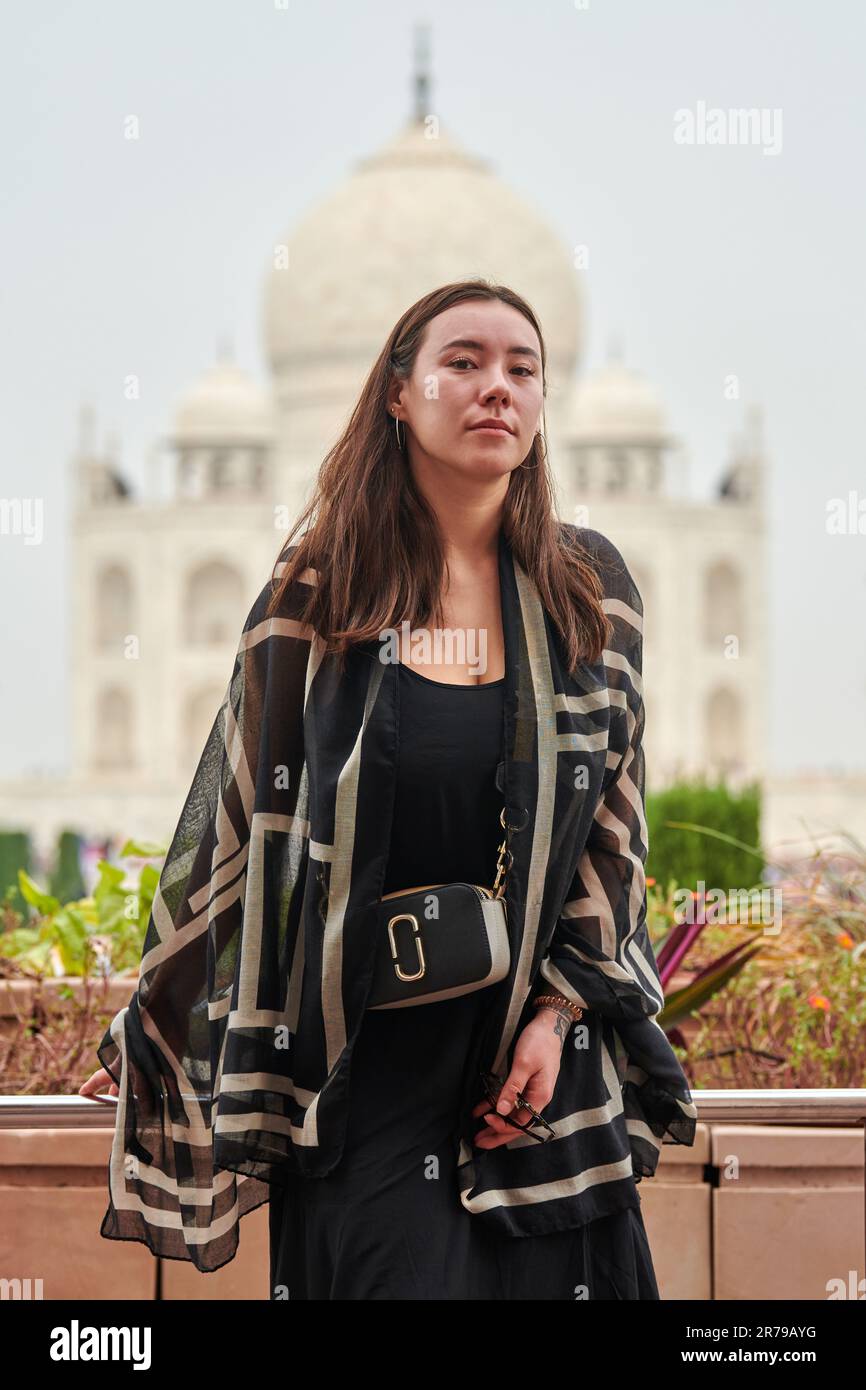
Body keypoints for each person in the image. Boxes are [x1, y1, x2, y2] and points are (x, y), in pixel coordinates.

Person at [80, 279, 698, 1299]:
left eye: (520, 368)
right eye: (462, 362)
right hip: (365, 1065)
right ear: (397, 396)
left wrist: (555, 1016)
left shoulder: (588, 590)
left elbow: (612, 833)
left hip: (536, 1069)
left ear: (544, 405)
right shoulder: (323, 590)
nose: (494, 387)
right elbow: (236, 819)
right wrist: (159, 1017)